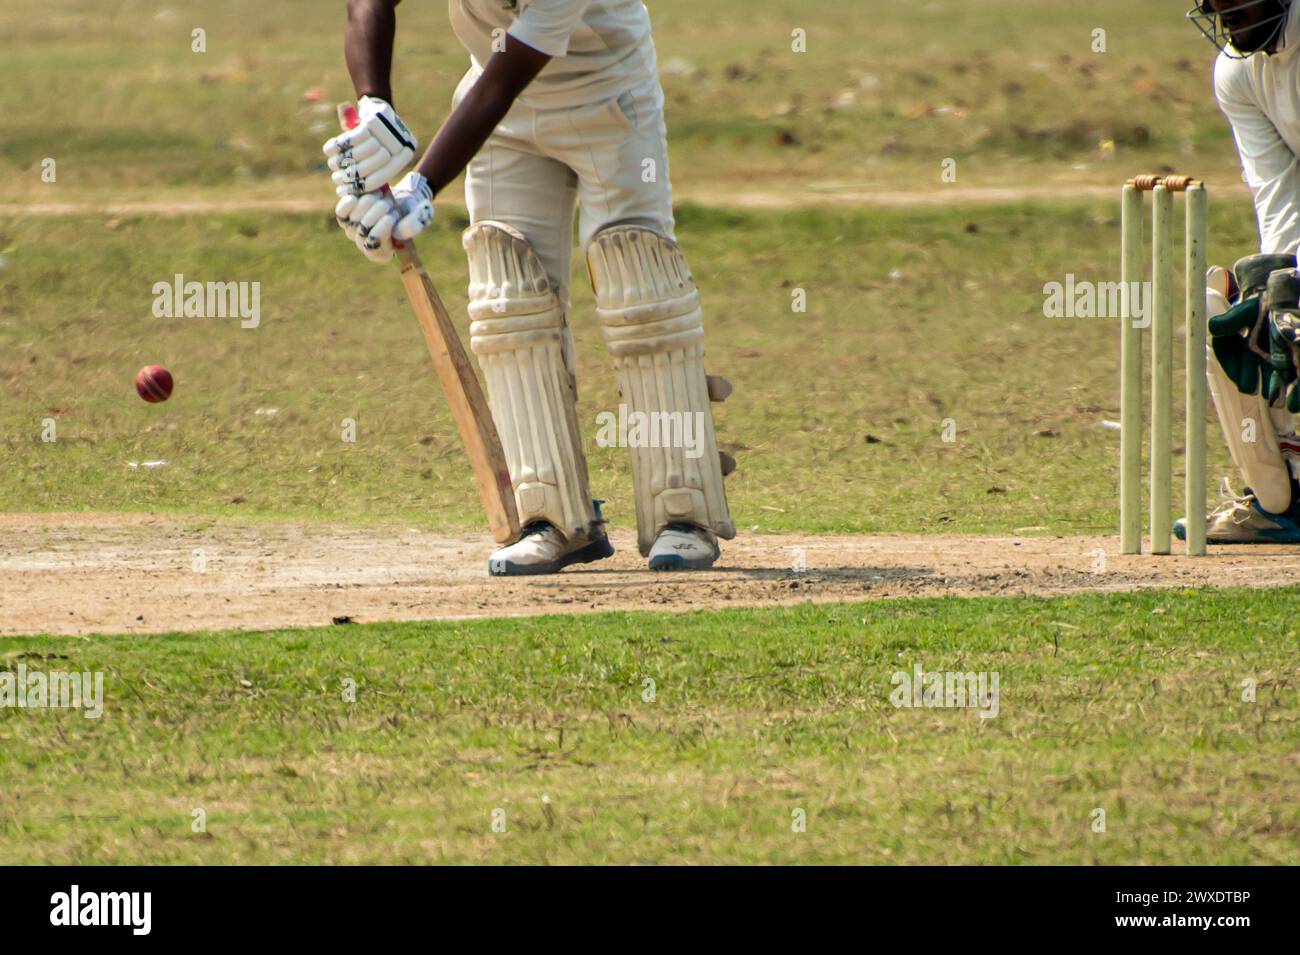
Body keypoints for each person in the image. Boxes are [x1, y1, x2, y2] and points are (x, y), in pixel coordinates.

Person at [323, 0, 735, 573]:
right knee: (508, 302)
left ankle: (683, 512)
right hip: (500, 121)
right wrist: (376, 105)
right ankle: (552, 517)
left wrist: (420, 186)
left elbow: (505, 80)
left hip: (608, 98)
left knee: (642, 293)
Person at [1178, 0, 1300, 542]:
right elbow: (1278, 189)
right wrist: (1279, 283)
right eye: (1219, 5)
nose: (1230, 17)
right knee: (1230, 317)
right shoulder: (1236, 72)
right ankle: (1282, 499)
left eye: (1241, 1)